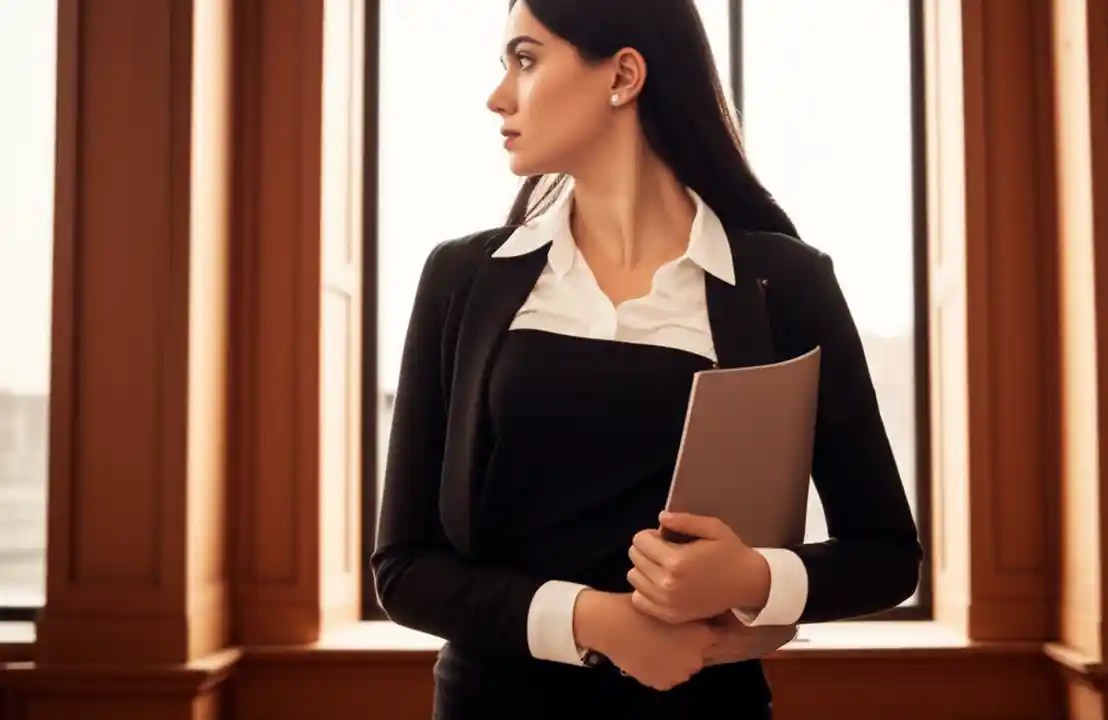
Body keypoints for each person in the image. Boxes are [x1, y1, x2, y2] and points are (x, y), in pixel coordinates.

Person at [369, 1, 923, 717]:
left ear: (623, 75)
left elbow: (884, 555)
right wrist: (601, 624)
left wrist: (751, 578)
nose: (498, 94)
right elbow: (404, 568)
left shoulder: (783, 284)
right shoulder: (463, 279)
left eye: (526, 59)